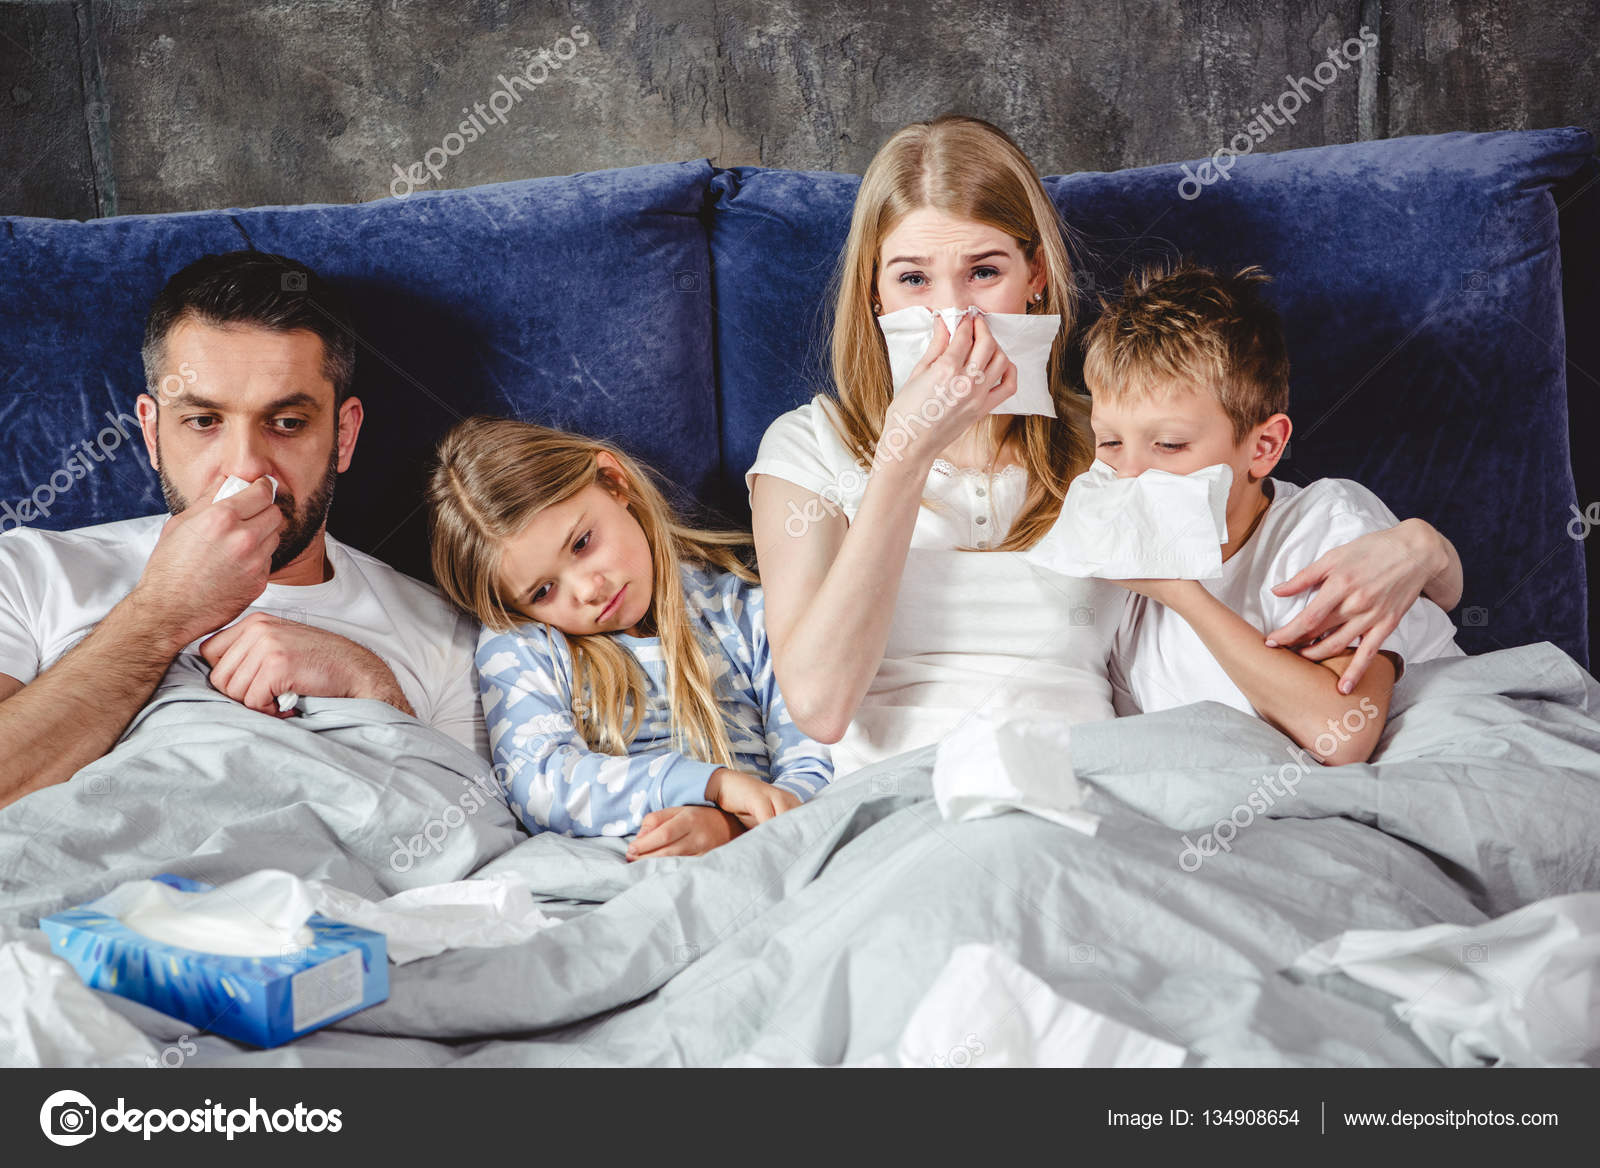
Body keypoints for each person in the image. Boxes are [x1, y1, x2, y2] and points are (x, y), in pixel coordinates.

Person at [746, 114, 1464, 774]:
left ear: (1033, 278)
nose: (952, 315)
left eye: (984, 272)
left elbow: (1264, 529)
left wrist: (1425, 550)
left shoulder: (1113, 445)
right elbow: (820, 707)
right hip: (897, 795)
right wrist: (904, 452)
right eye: (913, 279)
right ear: (875, 294)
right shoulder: (808, 448)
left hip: (1088, 790)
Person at [0, 251, 486, 809]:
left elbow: (475, 851)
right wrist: (161, 616)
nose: (246, 467)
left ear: (344, 435)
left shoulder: (448, 636)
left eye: (286, 423)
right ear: (153, 433)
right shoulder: (27, 574)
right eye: (203, 421)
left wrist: (371, 688)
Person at [1087, 263, 1463, 764]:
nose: (1129, 474)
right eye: (1110, 442)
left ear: (1263, 446)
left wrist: (1180, 592)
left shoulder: (1325, 525)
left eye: (1170, 445)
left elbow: (1341, 735)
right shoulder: (1127, 588)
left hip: (1441, 755)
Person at [427, 417, 831, 861]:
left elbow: (815, 759)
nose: (588, 589)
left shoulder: (741, 606)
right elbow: (539, 781)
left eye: (581, 543)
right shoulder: (525, 645)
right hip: (621, 872)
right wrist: (710, 786)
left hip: (772, 851)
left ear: (614, 483)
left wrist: (732, 827)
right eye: (543, 592)